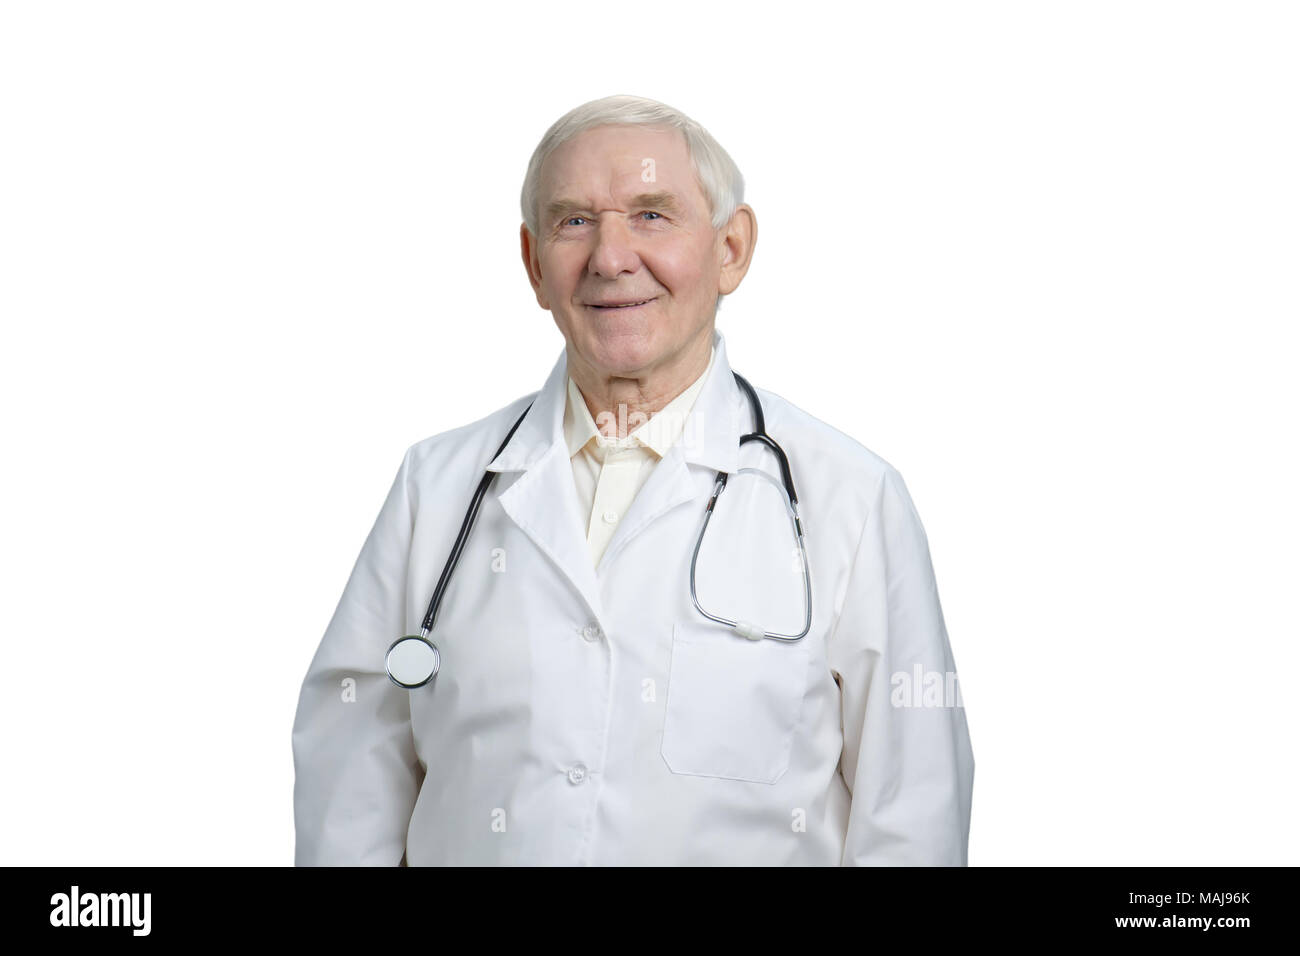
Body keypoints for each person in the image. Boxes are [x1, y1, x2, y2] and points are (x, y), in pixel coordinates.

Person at [291, 94, 974, 866]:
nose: (611, 257)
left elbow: (914, 815)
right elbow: (348, 781)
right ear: (532, 264)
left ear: (732, 249)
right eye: (574, 221)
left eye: (651, 215)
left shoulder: (849, 497)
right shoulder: (437, 488)